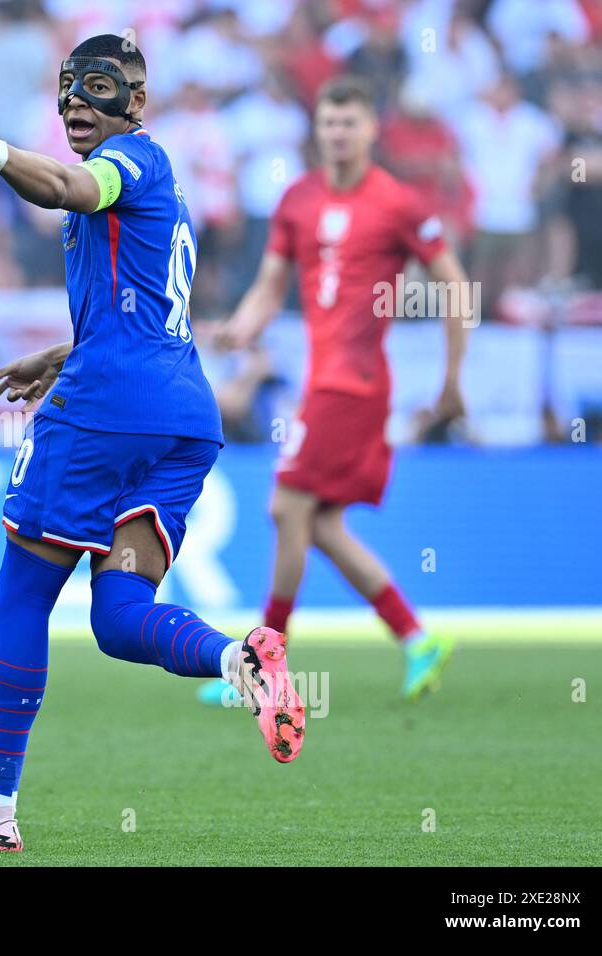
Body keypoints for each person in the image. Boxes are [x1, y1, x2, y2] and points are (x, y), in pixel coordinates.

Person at [0, 34, 305, 855]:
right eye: (67, 91)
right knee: (122, 614)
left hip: (103, 415)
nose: (76, 105)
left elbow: (62, 185)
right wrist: (62, 354)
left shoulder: (131, 163)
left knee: (22, 594)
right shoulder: (151, 194)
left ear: (137, 101)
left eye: (98, 88)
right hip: (180, 420)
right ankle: (241, 659)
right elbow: (148, 310)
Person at [206, 76, 471, 708]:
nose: (338, 134)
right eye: (329, 123)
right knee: (319, 524)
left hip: (353, 386)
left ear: (371, 129)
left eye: (349, 123)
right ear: (317, 129)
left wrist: (453, 380)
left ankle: (264, 666)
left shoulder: (398, 204)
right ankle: (415, 637)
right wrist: (240, 328)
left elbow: (455, 286)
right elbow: (271, 286)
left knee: (284, 508)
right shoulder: (296, 199)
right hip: (322, 380)